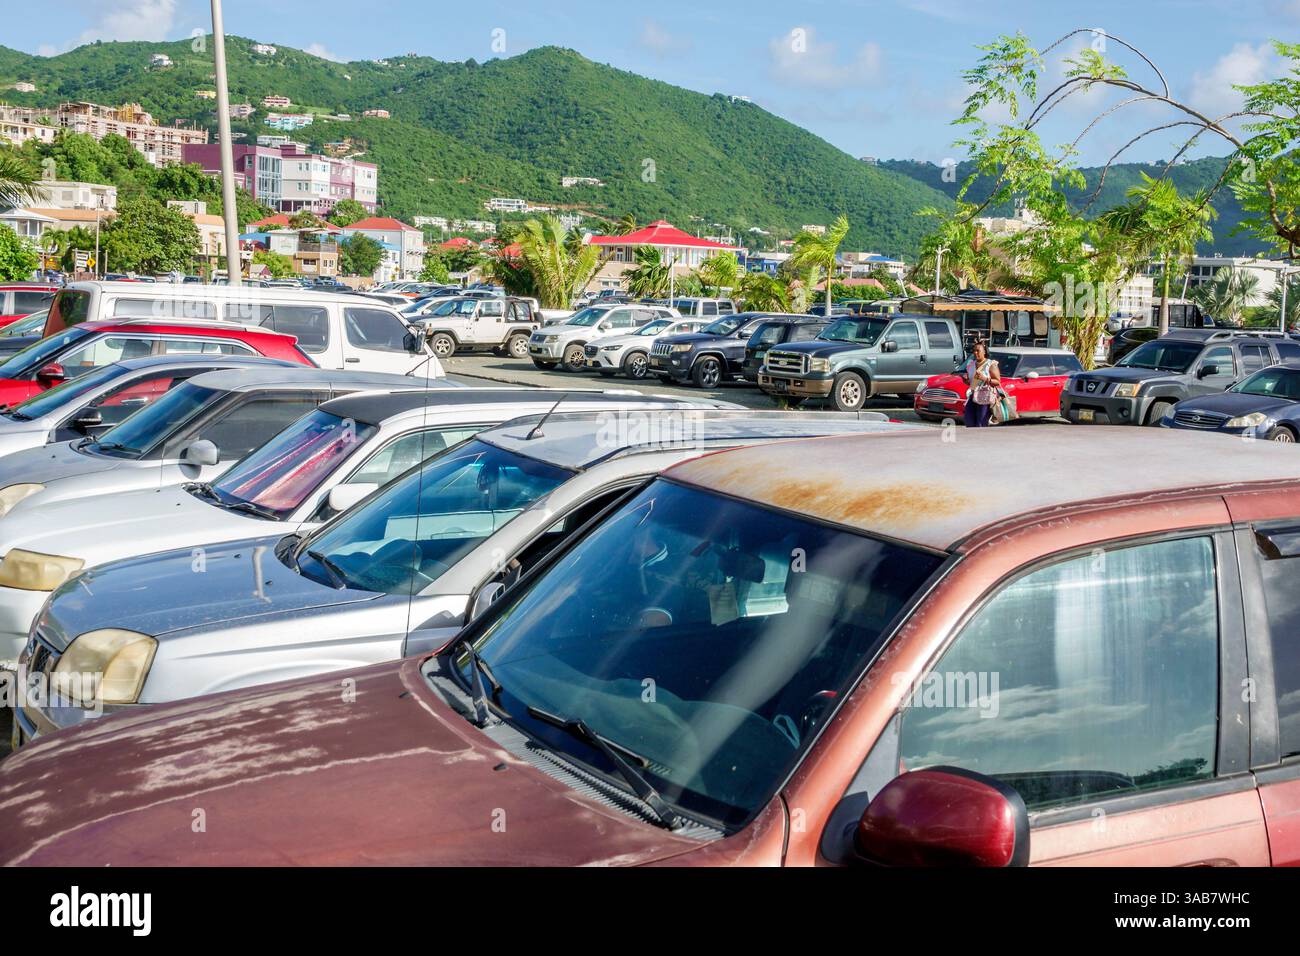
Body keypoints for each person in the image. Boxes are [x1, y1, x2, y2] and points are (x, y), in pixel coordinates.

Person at [963, 341, 1000, 428]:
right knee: (969, 420)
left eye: (978, 351)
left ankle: (981, 439)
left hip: (985, 396)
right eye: (974, 351)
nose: (975, 353)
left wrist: (984, 378)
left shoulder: (991, 364)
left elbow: (997, 381)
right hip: (973, 396)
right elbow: (971, 382)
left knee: (981, 422)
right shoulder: (971, 364)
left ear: (984, 352)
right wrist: (966, 380)